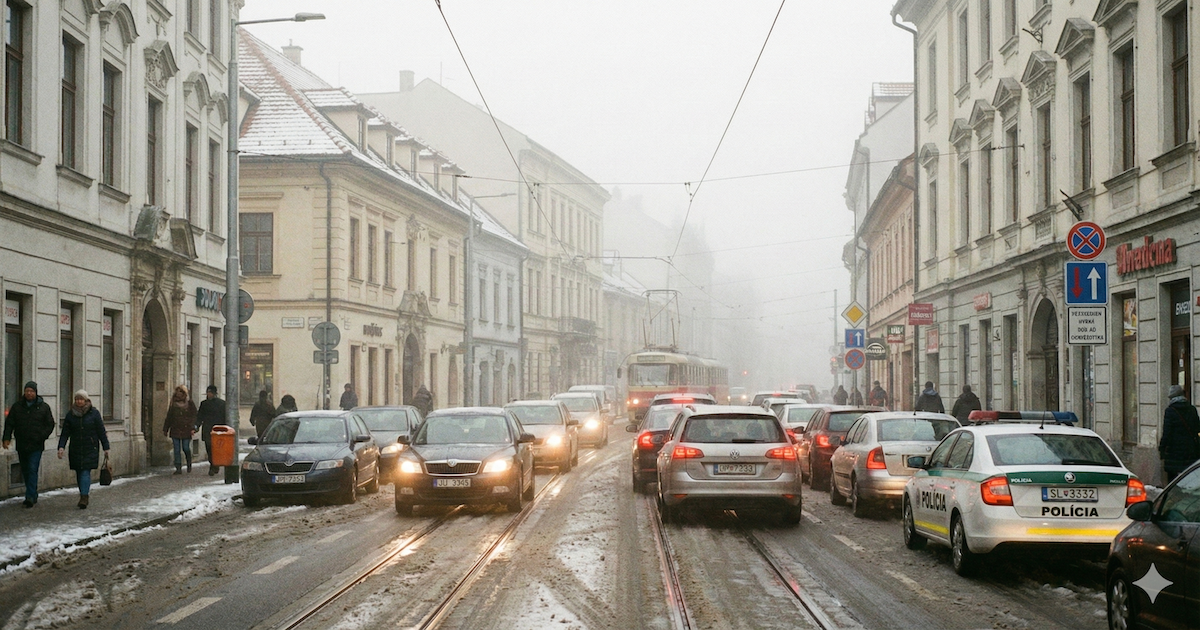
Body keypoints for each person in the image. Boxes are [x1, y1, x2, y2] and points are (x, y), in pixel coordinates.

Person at [3, 381, 56, 507]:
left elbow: (50, 424)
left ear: (36, 392)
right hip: (22, 444)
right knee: (26, 470)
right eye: (27, 391)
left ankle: (29, 497)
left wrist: (42, 436)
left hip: (36, 445)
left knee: (32, 469)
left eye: (31, 391)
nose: (29, 393)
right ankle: (33, 493)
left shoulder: (43, 407)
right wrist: (6, 438)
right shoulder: (17, 407)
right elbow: (10, 423)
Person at [57, 390, 109, 509]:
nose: (79, 401)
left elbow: (101, 431)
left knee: (85, 471)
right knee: (79, 472)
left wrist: (106, 447)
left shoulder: (94, 413)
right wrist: (61, 447)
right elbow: (65, 432)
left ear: (86, 400)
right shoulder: (71, 414)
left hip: (90, 447)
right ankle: (83, 493)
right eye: (77, 399)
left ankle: (84, 497)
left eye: (81, 399)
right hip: (75, 447)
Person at [1159, 384, 1200, 484]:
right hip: (1191, 450)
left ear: (1172, 398)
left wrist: (1162, 448)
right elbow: (1198, 428)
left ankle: (1172, 497)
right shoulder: (1192, 409)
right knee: (1189, 475)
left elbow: (1167, 432)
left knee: (1172, 478)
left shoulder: (1170, 411)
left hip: (1174, 451)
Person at [163, 385, 197, 474]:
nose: (178, 394)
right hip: (175, 429)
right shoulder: (173, 404)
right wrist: (165, 429)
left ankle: (189, 462)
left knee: (186, 447)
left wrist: (193, 427)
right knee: (176, 449)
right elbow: (169, 417)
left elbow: (194, 416)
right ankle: (178, 467)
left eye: (180, 392)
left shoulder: (190, 403)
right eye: (177, 392)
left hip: (186, 429)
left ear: (184, 393)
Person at [195, 385, 227, 476]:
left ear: (214, 393)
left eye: (210, 392)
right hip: (208, 430)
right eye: (208, 392)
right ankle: (213, 464)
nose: (208, 394)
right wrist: (196, 426)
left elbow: (226, 417)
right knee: (209, 448)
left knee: (216, 448)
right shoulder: (204, 404)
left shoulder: (222, 404)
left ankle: (214, 465)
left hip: (218, 430)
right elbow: (199, 416)